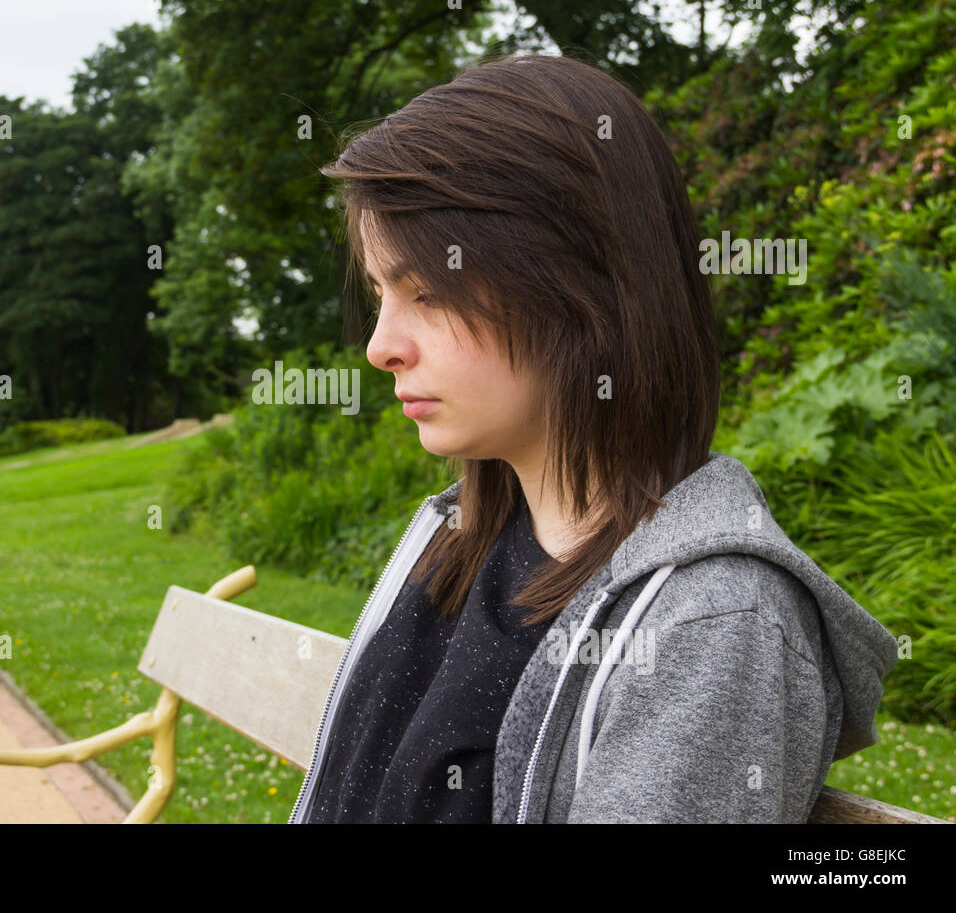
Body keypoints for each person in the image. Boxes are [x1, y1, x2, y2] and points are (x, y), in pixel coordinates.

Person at [288, 53, 898, 824]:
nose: (380, 347)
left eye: (429, 292)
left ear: (579, 291)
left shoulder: (710, 622)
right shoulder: (455, 542)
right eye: (381, 294)